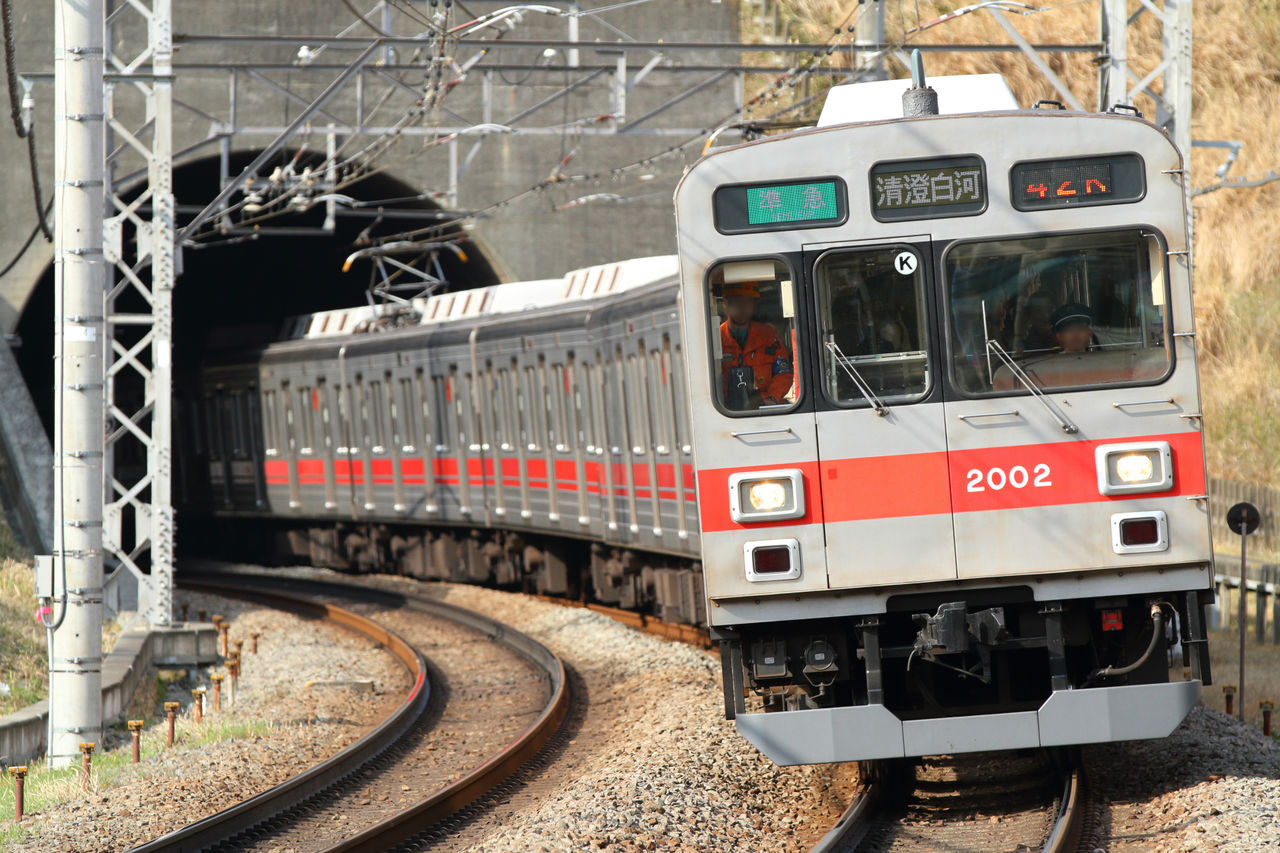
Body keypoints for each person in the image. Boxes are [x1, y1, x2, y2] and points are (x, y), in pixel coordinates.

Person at [719, 281, 793, 409]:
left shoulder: (768, 335)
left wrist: (771, 398)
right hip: (728, 413)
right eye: (737, 300)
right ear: (726, 303)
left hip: (766, 408)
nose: (742, 306)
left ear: (755, 305)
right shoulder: (716, 338)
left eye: (748, 301)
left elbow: (784, 373)